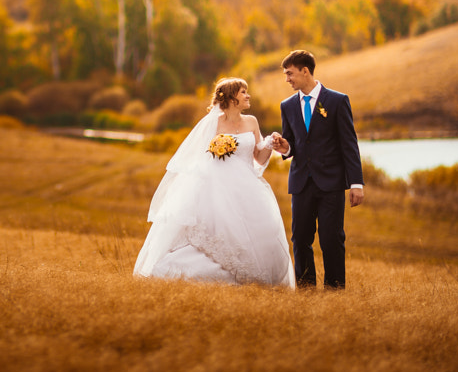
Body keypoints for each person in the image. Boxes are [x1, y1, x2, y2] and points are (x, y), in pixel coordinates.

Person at [133, 78, 295, 288]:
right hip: (218, 189)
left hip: (247, 190)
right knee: (219, 231)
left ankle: (257, 277)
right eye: (243, 92)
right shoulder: (213, 123)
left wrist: (270, 144)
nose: (248, 96)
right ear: (231, 97)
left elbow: (259, 158)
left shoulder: (252, 121)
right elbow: (199, 157)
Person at [272, 50, 364, 290]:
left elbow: (349, 144)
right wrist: (285, 147)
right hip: (301, 182)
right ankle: (305, 289)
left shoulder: (337, 100)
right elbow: (292, 144)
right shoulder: (287, 105)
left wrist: (356, 184)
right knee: (300, 239)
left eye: (290, 74)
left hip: (331, 183)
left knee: (331, 239)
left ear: (305, 71)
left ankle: (335, 289)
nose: (287, 79)